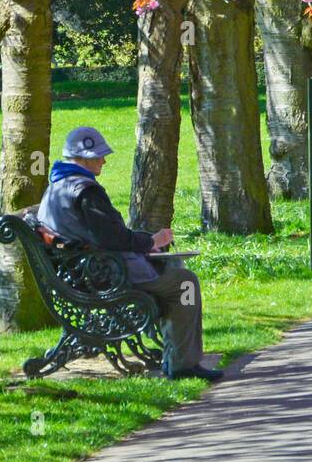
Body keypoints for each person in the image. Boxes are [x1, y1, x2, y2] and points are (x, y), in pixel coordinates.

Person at [37, 125, 221, 382]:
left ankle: (176, 353)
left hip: (84, 273)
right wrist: (152, 241)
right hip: (106, 276)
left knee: (174, 272)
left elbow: (107, 236)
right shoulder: (86, 191)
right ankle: (183, 364)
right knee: (184, 283)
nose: (104, 160)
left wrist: (146, 245)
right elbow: (114, 238)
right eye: (99, 155)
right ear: (84, 157)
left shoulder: (57, 187)